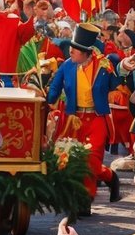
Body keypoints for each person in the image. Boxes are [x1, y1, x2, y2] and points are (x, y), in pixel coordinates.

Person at [45, 23, 121, 214]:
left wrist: (123, 69)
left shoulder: (103, 65)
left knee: (91, 158)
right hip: (74, 119)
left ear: (85, 52)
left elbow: (115, 84)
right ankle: (110, 176)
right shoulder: (67, 66)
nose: (70, 52)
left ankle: (85, 200)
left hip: (96, 119)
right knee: (74, 159)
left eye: (74, 50)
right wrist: (46, 101)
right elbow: (55, 88)